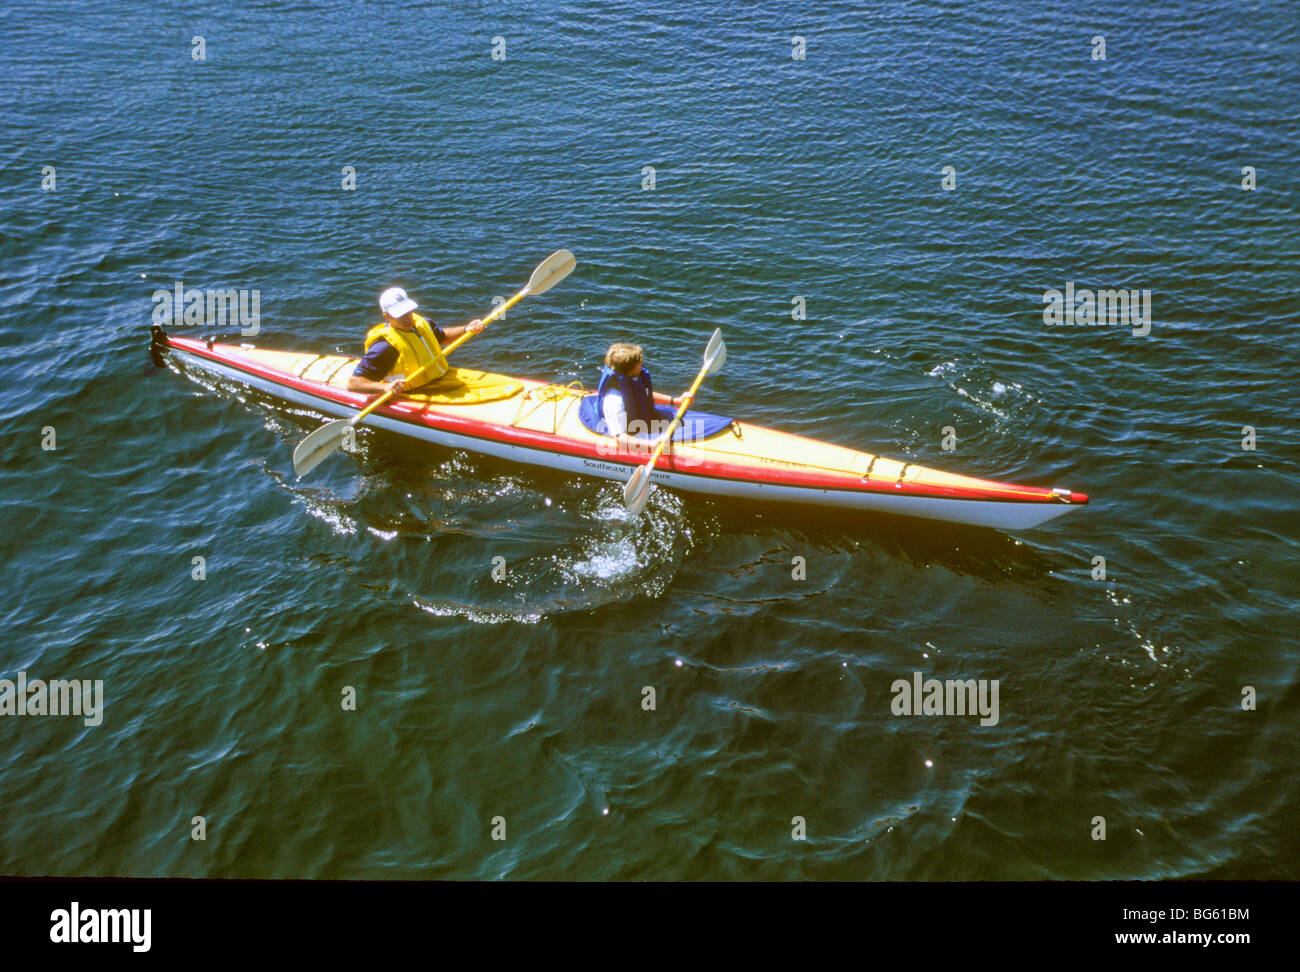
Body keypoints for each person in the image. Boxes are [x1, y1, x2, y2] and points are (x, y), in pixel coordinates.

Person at [347, 287, 484, 396]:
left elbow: (442, 337)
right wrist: (385, 387)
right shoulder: (384, 347)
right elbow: (353, 383)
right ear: (387, 316)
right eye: (400, 314)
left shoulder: (422, 324)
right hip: (410, 392)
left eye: (408, 312)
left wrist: (467, 329)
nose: (407, 318)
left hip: (440, 379)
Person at [598, 342, 670, 453]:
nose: (642, 363)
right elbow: (619, 438)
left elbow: (643, 395)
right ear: (629, 369)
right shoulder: (614, 401)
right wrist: (652, 445)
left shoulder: (632, 377)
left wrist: (674, 400)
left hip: (639, 419)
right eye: (639, 363)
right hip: (628, 430)